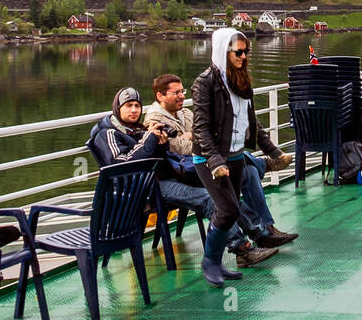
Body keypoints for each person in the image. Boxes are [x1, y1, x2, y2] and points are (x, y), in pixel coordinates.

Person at [88, 87, 256, 260]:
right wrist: (149, 138)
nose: (134, 110)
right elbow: (121, 164)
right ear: (117, 108)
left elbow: (154, 160)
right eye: (128, 106)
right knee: (208, 199)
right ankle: (241, 249)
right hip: (140, 192)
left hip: (158, 181)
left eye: (137, 106)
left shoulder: (134, 129)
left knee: (222, 193)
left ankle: (259, 232)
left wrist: (161, 145)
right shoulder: (107, 133)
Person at [145, 73, 296, 264]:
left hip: (200, 165)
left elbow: (204, 135)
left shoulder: (186, 113)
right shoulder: (154, 121)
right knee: (223, 191)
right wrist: (198, 139)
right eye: (176, 93)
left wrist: (193, 137)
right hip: (184, 174)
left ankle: (265, 230)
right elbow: (184, 148)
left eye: (182, 91)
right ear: (160, 96)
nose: (182, 96)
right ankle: (264, 164)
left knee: (247, 173)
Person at [192, 28, 289, 287]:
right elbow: (201, 127)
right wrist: (215, 161)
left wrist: (274, 152)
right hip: (209, 160)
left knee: (230, 212)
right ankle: (210, 262)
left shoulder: (241, 80)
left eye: (246, 52)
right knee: (228, 209)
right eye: (238, 52)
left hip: (235, 155)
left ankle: (217, 262)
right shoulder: (206, 82)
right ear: (224, 50)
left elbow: (251, 121)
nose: (243, 56)